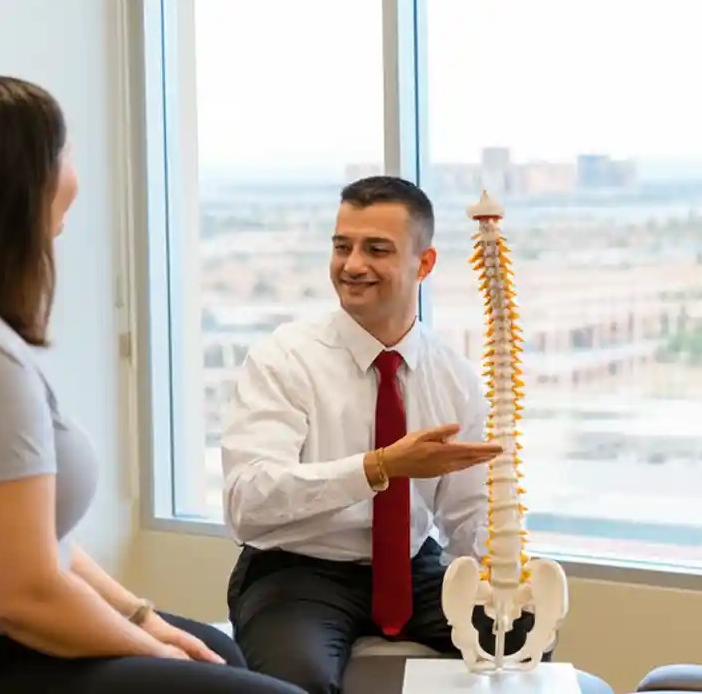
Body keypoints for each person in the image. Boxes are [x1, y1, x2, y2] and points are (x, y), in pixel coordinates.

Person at [0, 76, 302, 694]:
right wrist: (154, 652)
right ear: (26, 181)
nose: (74, 174)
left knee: (218, 650)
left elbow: (43, 546)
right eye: (65, 154)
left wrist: (139, 615)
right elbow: (25, 593)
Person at [223, 176, 531, 693]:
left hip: (413, 568)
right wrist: (380, 467)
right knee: (297, 685)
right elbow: (246, 503)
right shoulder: (284, 358)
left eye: (376, 249)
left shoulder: (452, 375)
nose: (352, 265)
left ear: (424, 264)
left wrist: (502, 576)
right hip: (299, 570)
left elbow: (468, 511)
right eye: (342, 246)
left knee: (520, 643)